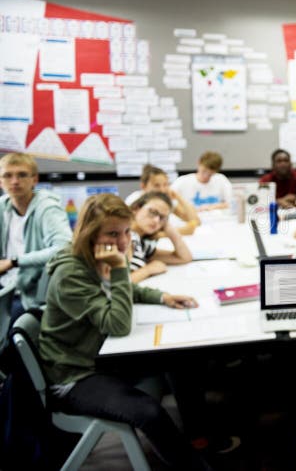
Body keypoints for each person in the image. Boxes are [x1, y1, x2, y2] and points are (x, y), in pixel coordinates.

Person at [37, 193, 212, 470]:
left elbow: (122, 291)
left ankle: (199, 439)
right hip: (74, 374)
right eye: (112, 233)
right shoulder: (71, 270)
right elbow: (117, 324)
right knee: (149, 412)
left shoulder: (93, 256)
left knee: (180, 360)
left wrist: (162, 297)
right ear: (90, 232)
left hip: (98, 355)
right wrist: (120, 268)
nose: (122, 241)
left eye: (127, 232)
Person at [0, 153, 72, 355]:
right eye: (8, 176)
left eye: (22, 175)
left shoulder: (47, 208)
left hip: (32, 295)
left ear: (35, 179)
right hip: (7, 287)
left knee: (10, 344)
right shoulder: (3, 207)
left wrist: (14, 262)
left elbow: (65, 247)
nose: (15, 181)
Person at [128, 191, 193, 283]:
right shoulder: (126, 237)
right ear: (136, 208)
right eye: (153, 212)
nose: (156, 220)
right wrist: (148, 270)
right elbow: (115, 285)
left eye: (162, 218)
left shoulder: (141, 243)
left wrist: (168, 228)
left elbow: (184, 257)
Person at [125, 164, 200, 235]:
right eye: (156, 185)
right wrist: (179, 231)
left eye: (165, 184)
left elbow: (195, 220)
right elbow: (140, 232)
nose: (162, 190)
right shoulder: (134, 200)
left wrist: (179, 197)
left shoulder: (164, 202)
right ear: (143, 186)